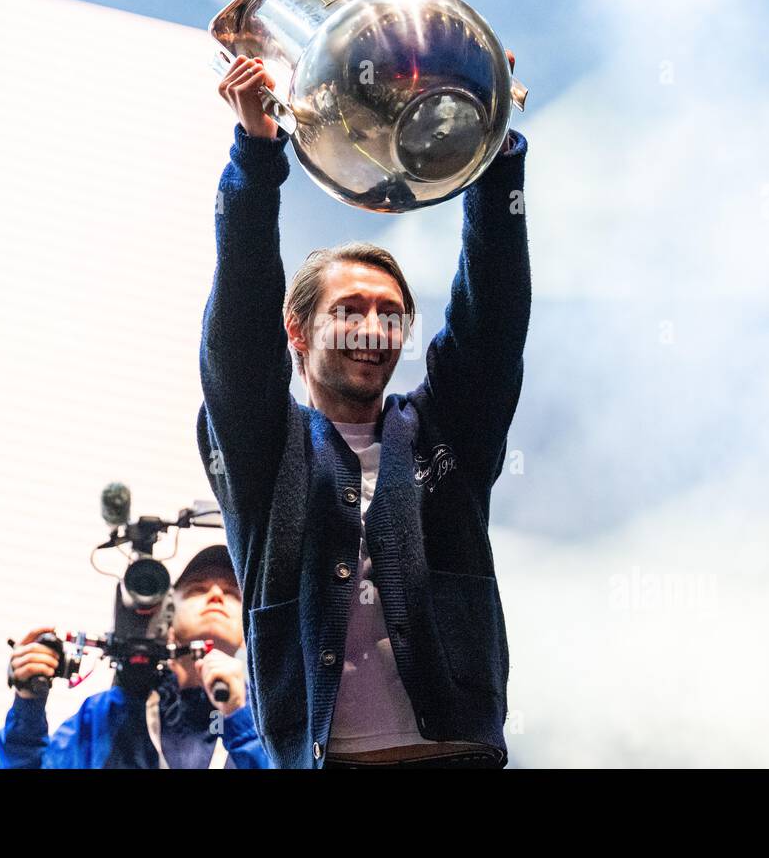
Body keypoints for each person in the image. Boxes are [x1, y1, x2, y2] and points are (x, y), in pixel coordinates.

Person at [197, 53, 530, 768]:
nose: (373, 328)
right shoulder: (264, 444)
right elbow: (234, 338)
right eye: (350, 309)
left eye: (390, 314)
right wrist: (256, 159)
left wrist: (495, 160)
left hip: (456, 756)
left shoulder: (446, 431)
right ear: (297, 330)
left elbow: (492, 320)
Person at [0, 544, 269, 768]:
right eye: (197, 588)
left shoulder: (266, 723)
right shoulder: (110, 714)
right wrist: (28, 704)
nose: (217, 594)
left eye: (233, 593)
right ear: (167, 618)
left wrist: (238, 716)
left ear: (247, 632)